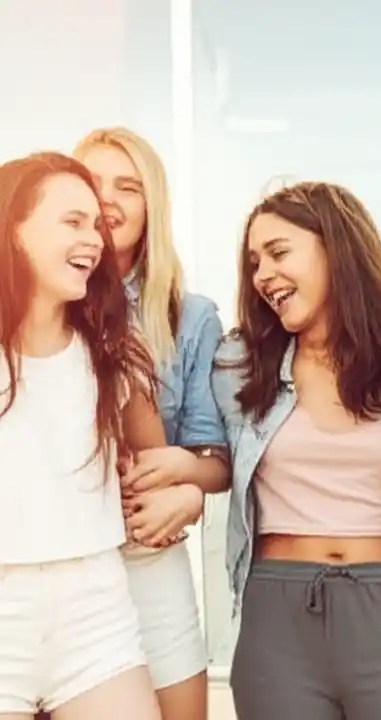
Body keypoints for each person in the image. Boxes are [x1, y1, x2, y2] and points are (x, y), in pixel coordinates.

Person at [211, 181, 381, 719]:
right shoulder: (239, 364)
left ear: (335, 248)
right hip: (277, 620)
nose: (262, 275)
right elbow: (209, 454)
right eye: (253, 261)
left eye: (278, 252)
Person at [0, 152, 164, 719]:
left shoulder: (112, 357)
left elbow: (159, 468)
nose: (94, 239)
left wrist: (184, 488)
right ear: (14, 230)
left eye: (96, 223)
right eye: (72, 221)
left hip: (97, 612)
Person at [72, 127, 230, 720]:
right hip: (61, 559)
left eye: (128, 186)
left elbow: (218, 456)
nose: (108, 199)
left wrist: (188, 487)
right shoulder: (34, 304)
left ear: (152, 204)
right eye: (92, 182)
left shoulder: (189, 317)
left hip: (146, 549)